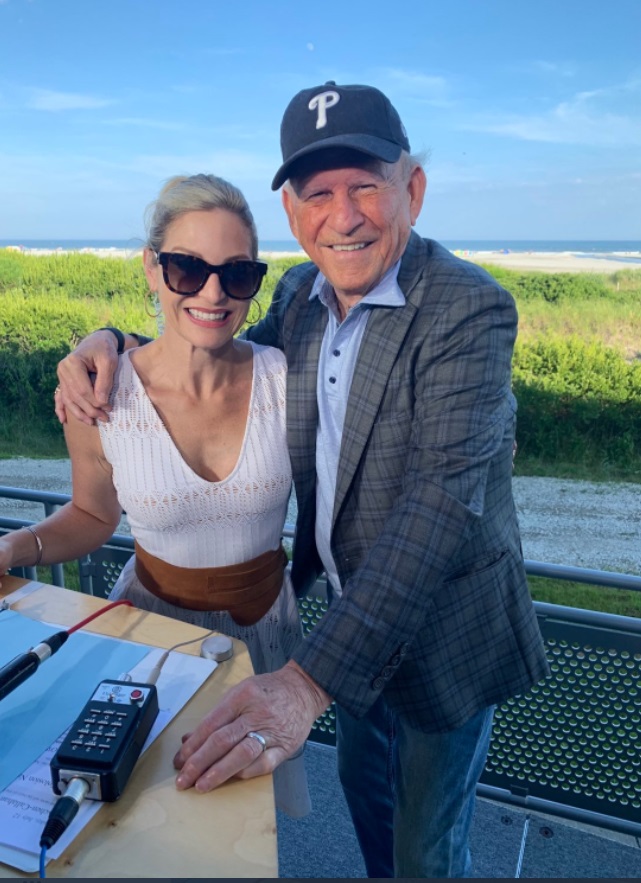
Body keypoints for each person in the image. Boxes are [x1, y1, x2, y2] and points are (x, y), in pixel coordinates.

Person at [55, 83, 550, 878]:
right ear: (292, 213)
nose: (342, 214)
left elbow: (438, 507)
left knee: (426, 850)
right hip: (351, 620)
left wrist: (306, 682)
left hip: (442, 636)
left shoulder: (467, 309)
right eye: (318, 193)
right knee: (366, 802)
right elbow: (208, 348)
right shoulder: (298, 298)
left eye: (364, 186)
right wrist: (109, 341)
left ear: (412, 191)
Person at [0, 172, 309, 818]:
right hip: (147, 635)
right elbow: (92, 514)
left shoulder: (285, 379)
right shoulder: (100, 393)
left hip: (262, 639)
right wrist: (14, 547)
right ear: (151, 267)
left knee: (240, 825)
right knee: (140, 812)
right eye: (186, 267)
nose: (213, 292)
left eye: (238, 274)